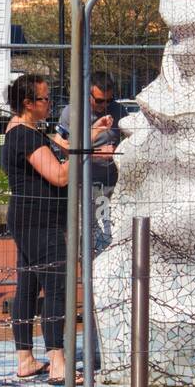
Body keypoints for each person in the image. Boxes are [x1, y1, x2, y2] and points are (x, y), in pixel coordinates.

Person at [0, 73, 78, 385]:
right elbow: (59, 176)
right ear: (28, 103)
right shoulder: (26, 136)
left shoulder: (23, 130)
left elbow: (57, 144)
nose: (50, 103)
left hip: (28, 218)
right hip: (39, 221)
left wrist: (89, 135)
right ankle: (57, 362)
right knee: (55, 286)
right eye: (45, 99)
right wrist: (78, 155)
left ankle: (26, 359)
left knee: (28, 287)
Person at [54, 71, 119, 253]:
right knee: (85, 233)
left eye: (108, 100)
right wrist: (98, 153)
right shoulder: (72, 112)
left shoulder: (119, 111)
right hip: (82, 185)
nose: (104, 105)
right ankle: (86, 274)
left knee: (109, 232)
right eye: (99, 101)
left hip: (110, 184)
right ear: (87, 94)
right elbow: (62, 145)